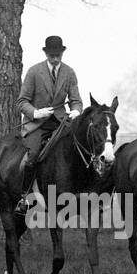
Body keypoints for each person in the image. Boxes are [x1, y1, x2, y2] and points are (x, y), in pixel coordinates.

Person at [14, 35, 83, 215]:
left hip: (61, 123)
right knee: (33, 156)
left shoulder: (69, 73)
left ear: (62, 53)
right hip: (38, 125)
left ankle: (82, 194)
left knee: (80, 150)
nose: (55, 58)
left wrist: (76, 111)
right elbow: (22, 101)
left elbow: (76, 100)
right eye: (52, 55)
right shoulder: (34, 72)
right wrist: (36, 112)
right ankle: (25, 197)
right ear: (46, 53)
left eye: (58, 55)